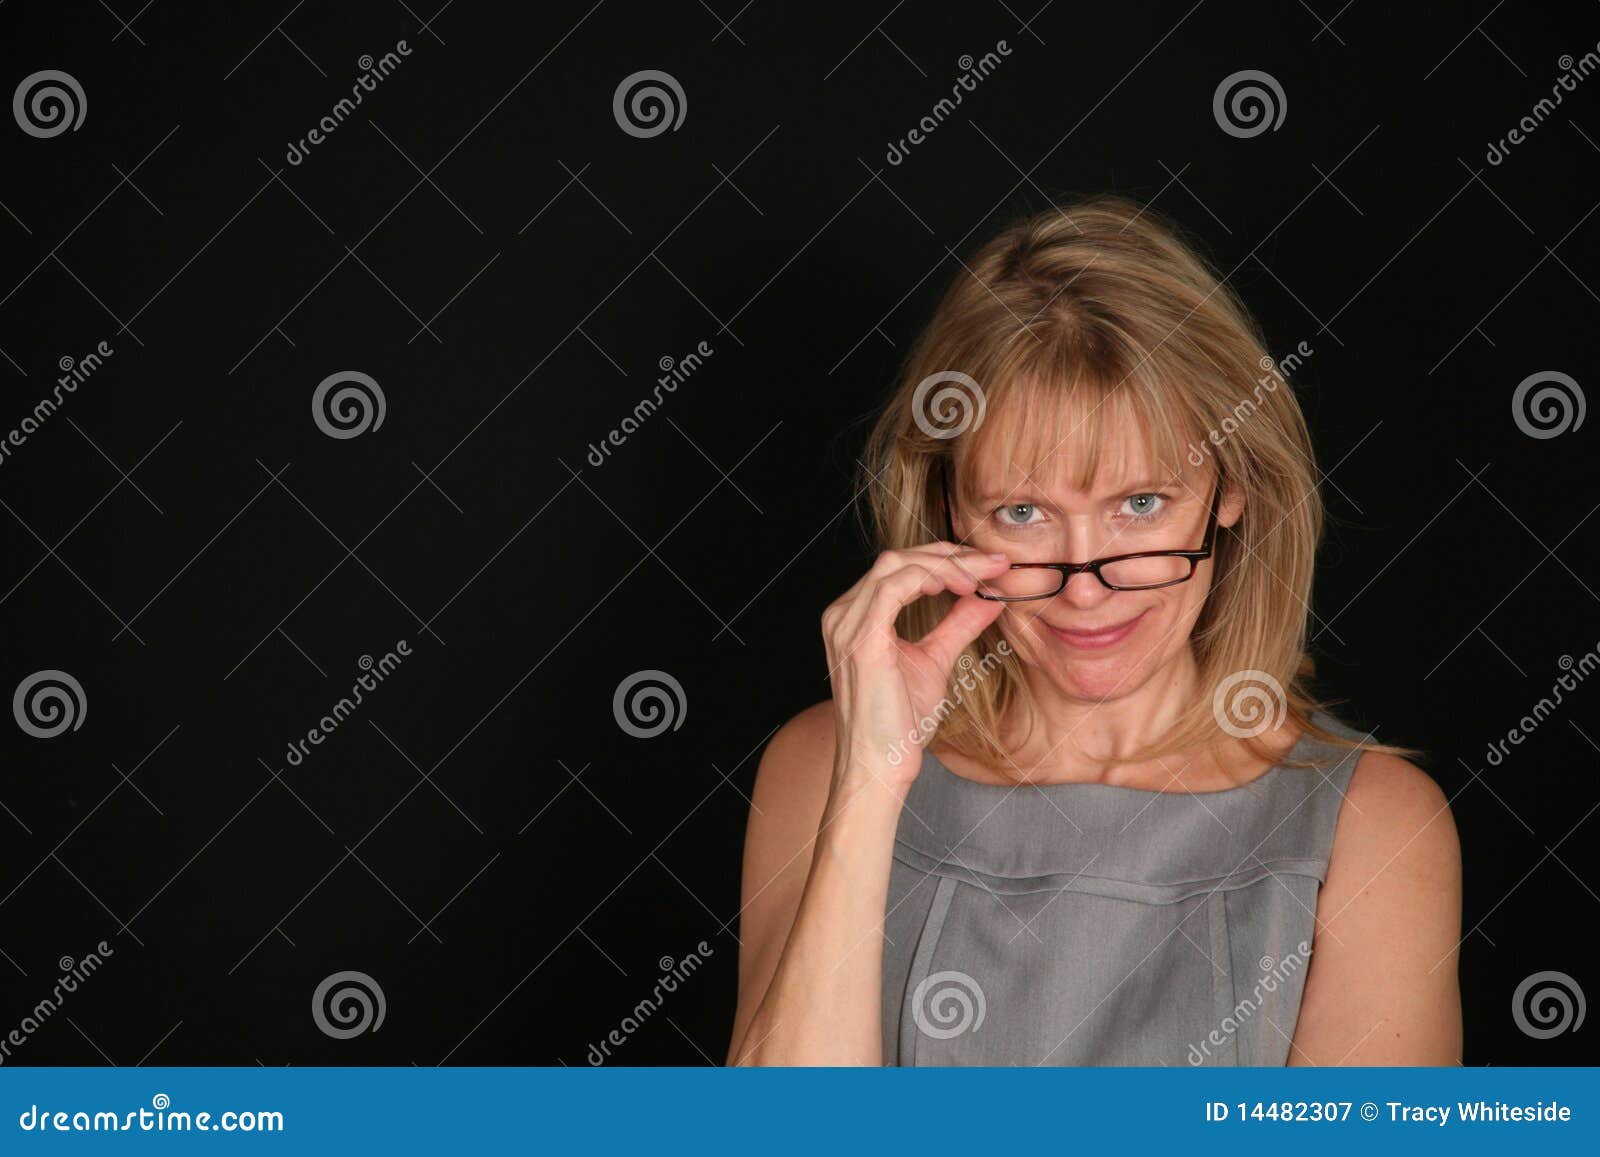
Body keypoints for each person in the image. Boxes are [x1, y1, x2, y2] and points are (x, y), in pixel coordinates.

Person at [727, 196, 1462, 1066]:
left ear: (1232, 490)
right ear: (947, 511)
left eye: (1140, 503)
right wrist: (871, 782)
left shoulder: (1376, 828)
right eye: (1025, 511)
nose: (1087, 590)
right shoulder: (821, 767)